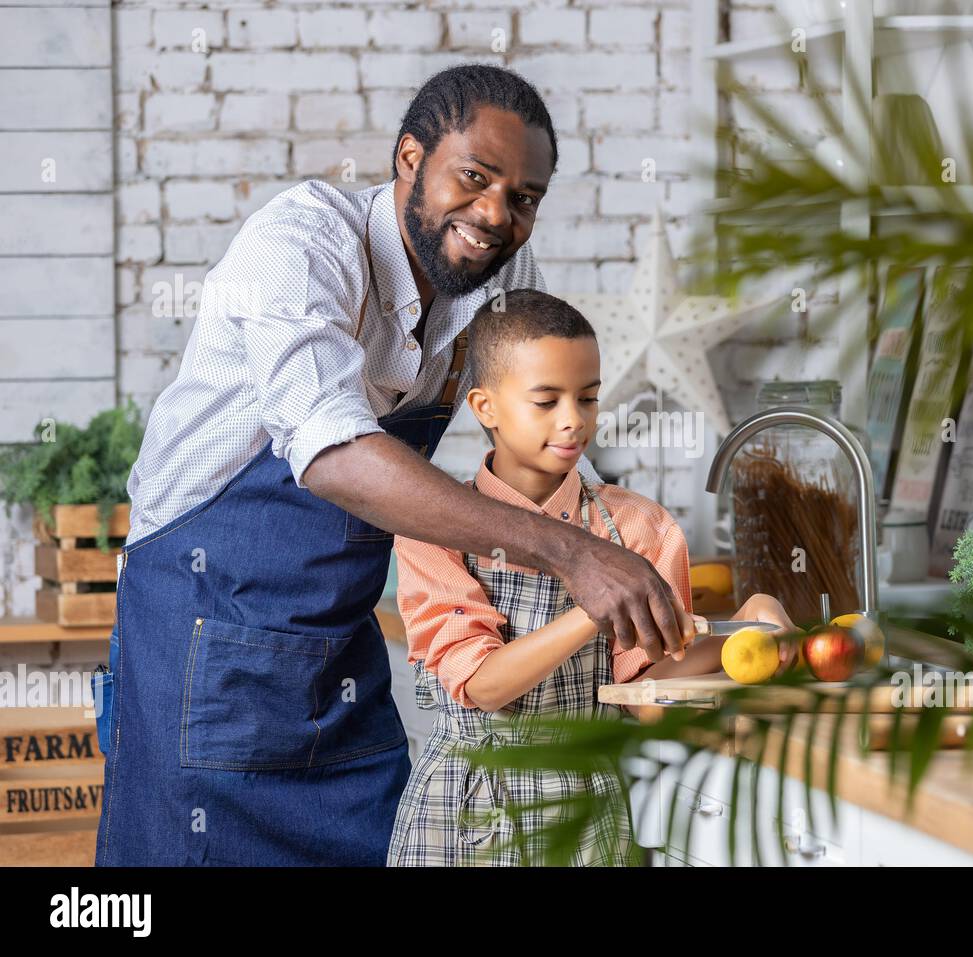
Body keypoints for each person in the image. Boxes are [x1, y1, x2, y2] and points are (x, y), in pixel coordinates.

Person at [96, 65, 690, 867]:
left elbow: (527, 433)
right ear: (410, 157)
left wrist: (619, 527)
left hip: (337, 656)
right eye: (474, 178)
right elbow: (336, 456)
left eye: (523, 198)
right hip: (206, 628)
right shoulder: (301, 245)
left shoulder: (500, 277)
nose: (494, 215)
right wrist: (573, 552)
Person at [387, 290, 795, 866]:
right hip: (470, 803)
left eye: (588, 397)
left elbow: (645, 687)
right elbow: (483, 686)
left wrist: (744, 628)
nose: (573, 419)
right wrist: (594, 601)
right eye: (546, 401)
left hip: (589, 801)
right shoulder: (435, 528)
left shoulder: (639, 525)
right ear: (485, 406)